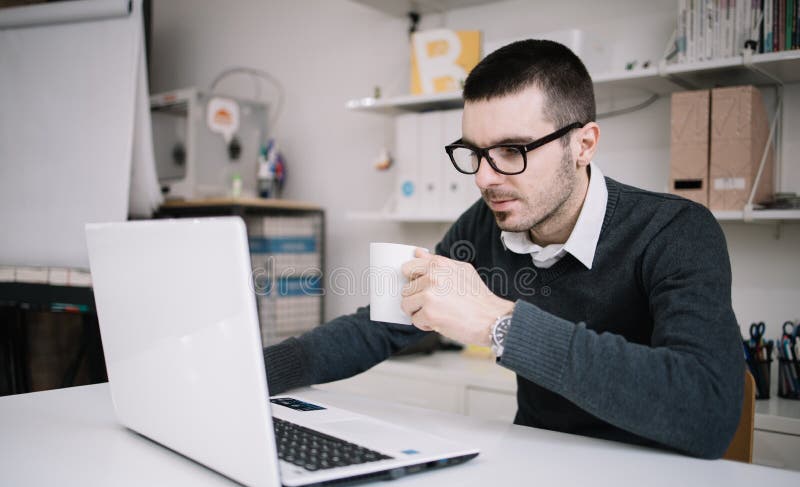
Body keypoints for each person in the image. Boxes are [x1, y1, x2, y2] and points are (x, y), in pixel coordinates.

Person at [263, 39, 743, 459]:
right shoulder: (486, 225)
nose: (484, 178)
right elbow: (383, 323)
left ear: (584, 145)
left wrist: (499, 324)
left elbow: (706, 410)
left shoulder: (676, 232)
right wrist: (251, 373)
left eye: (512, 150)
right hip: (534, 475)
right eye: (475, 151)